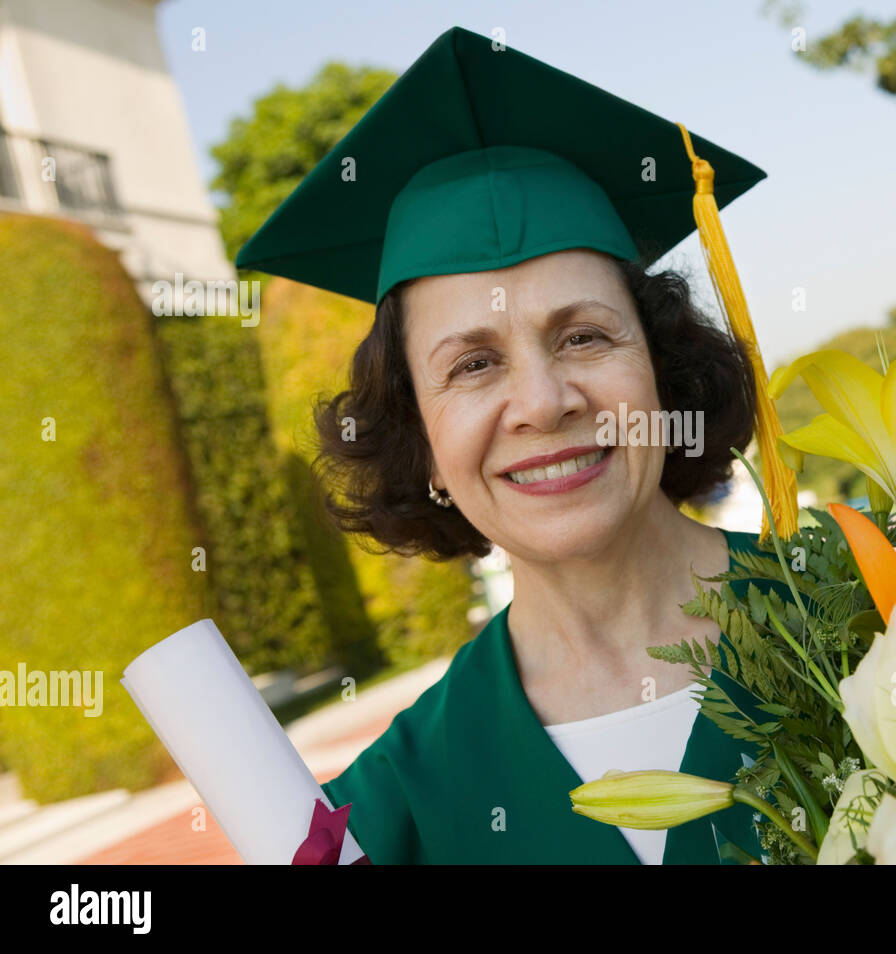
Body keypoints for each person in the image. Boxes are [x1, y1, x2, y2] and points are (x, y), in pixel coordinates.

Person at [236, 25, 795, 864]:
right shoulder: (384, 816)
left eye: (583, 338)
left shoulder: (890, 611)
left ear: (664, 372)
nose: (541, 402)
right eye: (472, 364)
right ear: (418, 439)